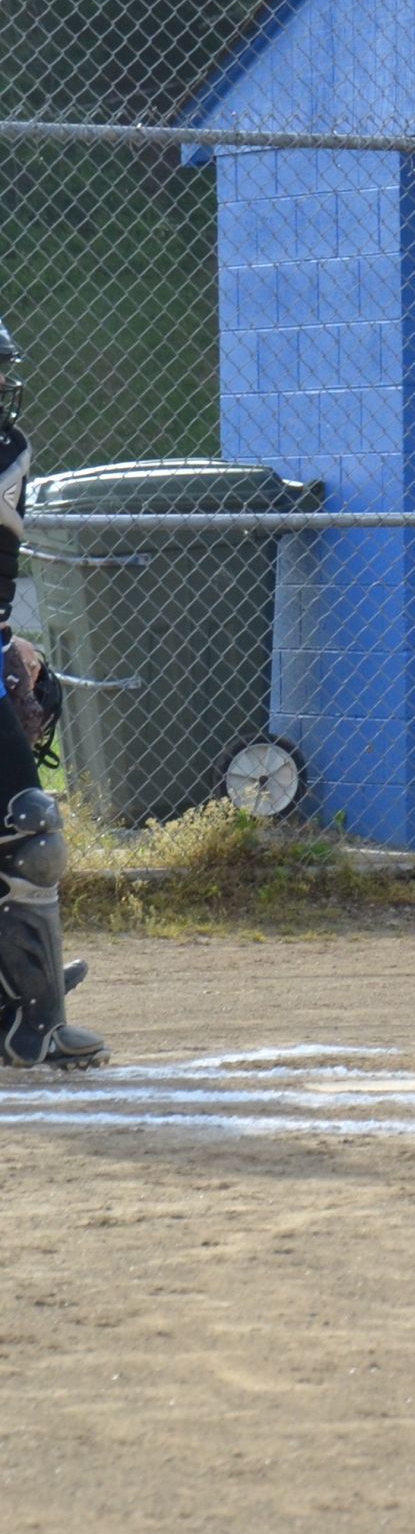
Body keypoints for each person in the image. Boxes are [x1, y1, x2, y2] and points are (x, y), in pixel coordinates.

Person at [0, 322, 101, 1072]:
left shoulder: (12, 449)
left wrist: (9, 638)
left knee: (25, 829)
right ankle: (26, 1019)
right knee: (27, 828)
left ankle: (21, 1005)